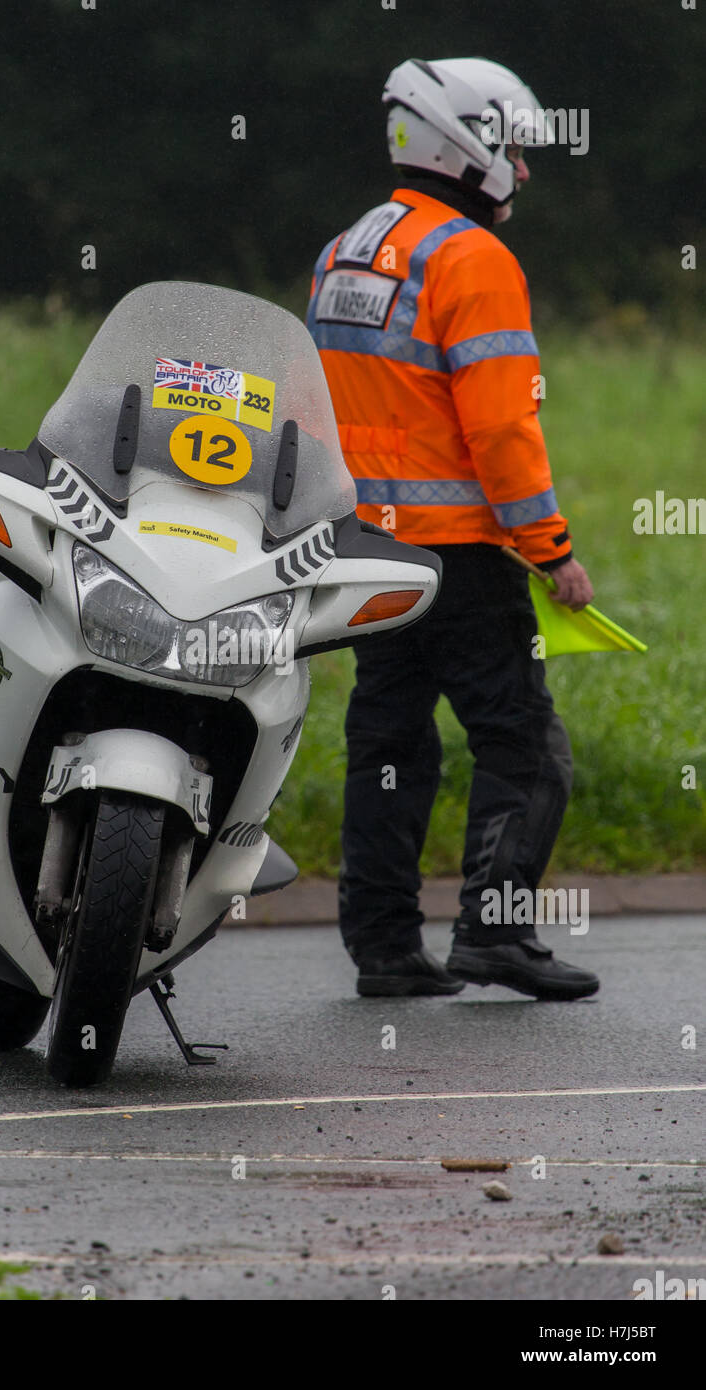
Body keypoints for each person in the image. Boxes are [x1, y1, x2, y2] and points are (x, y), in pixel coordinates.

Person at [306, 57, 599, 1001]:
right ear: (465, 144)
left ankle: (383, 948)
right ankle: (495, 934)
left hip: (369, 553)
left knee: (389, 745)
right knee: (525, 744)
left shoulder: (346, 248)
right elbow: (503, 428)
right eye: (513, 144)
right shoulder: (474, 260)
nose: (523, 164)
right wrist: (550, 549)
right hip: (462, 556)